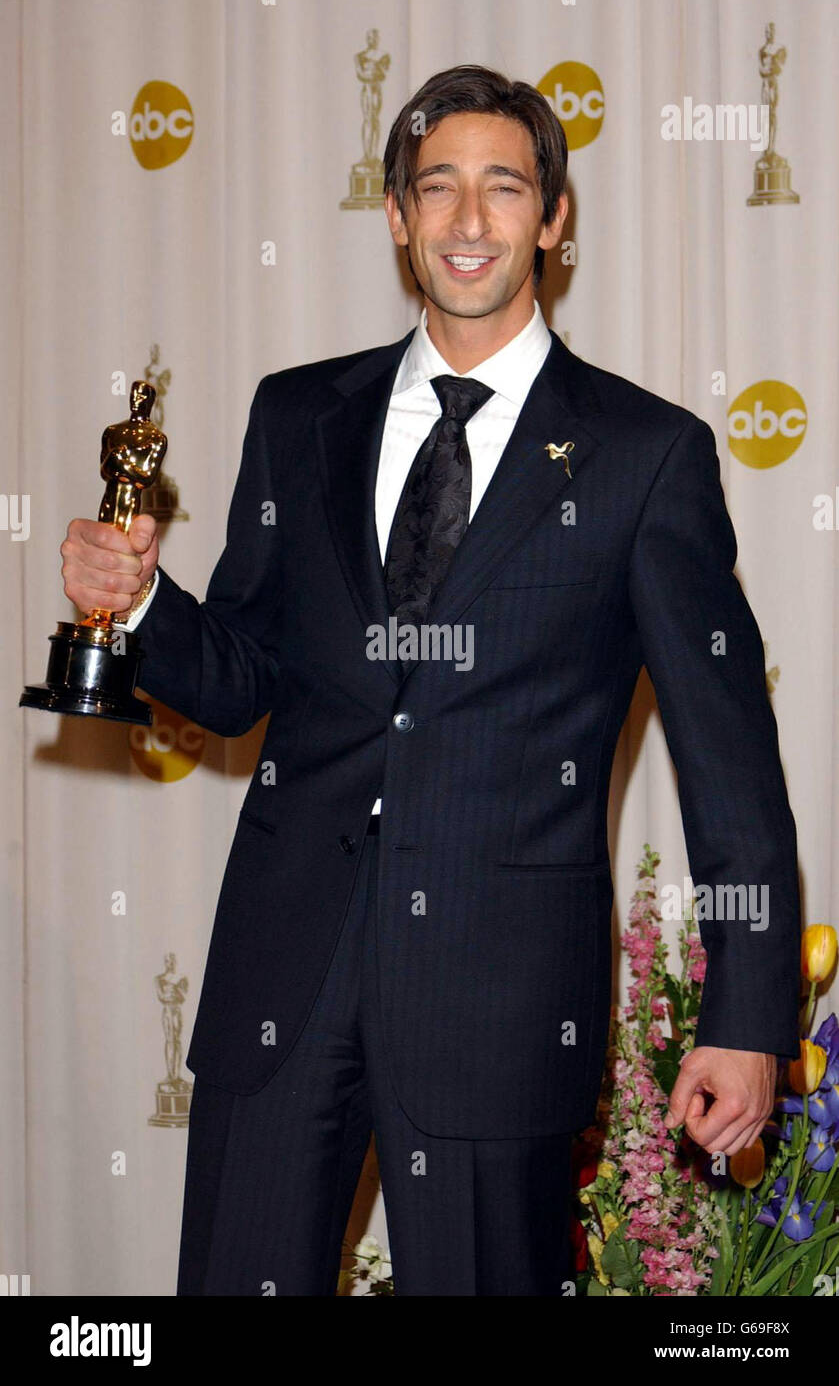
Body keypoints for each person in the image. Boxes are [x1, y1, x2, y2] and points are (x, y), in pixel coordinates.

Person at [59, 65, 802, 1296]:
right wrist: (138, 604)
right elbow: (242, 679)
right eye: (437, 188)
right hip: (279, 984)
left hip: (497, 1006)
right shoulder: (296, 416)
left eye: (502, 188)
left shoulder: (644, 454)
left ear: (552, 221)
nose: (468, 221)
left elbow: (730, 765)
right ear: (396, 216)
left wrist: (744, 1013)